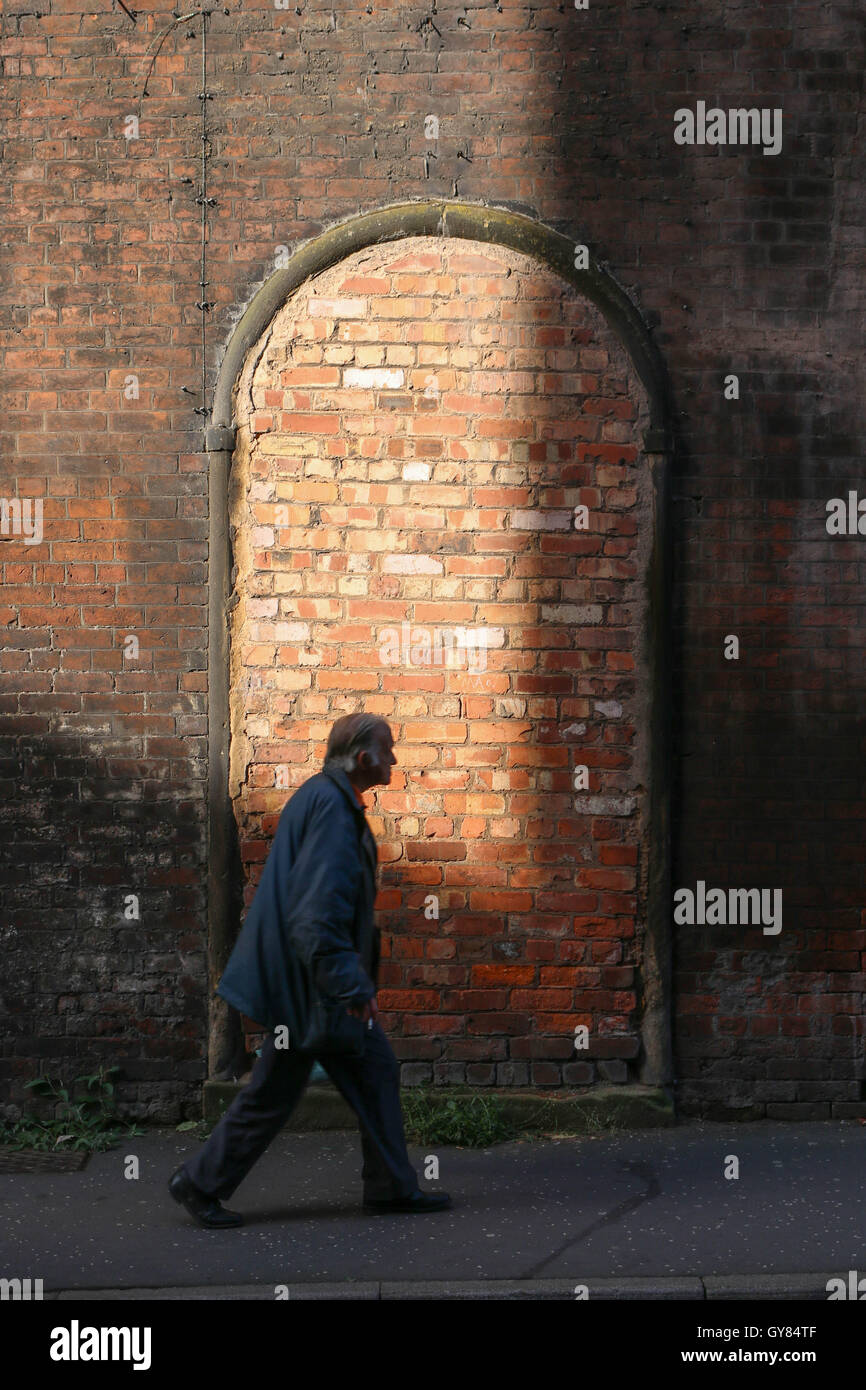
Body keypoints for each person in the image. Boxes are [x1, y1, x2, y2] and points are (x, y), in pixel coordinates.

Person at [169, 712, 451, 1227]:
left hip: (309, 987)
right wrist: (350, 983)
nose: (394, 758)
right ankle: (199, 1182)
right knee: (282, 1091)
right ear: (363, 757)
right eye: (388, 749)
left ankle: (390, 1186)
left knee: (365, 1074)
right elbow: (315, 917)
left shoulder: (324, 798)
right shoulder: (334, 813)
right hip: (311, 992)